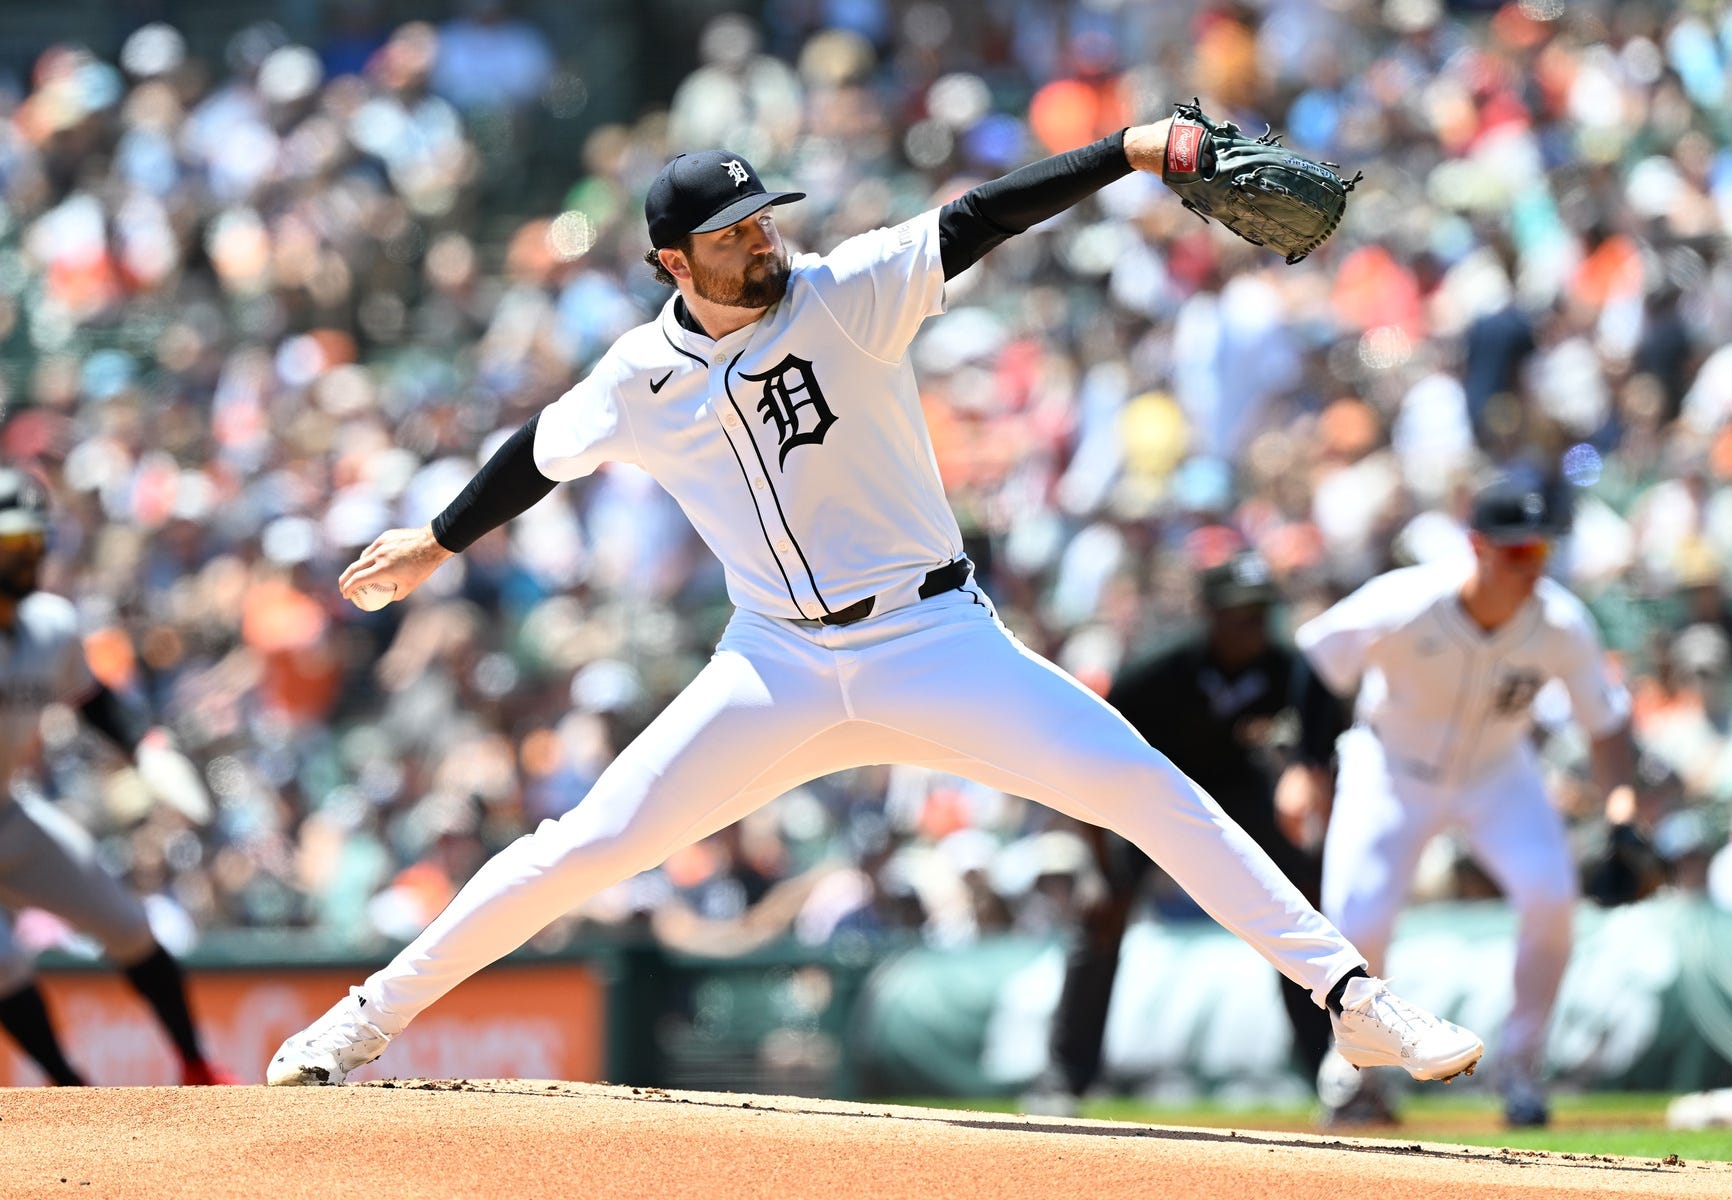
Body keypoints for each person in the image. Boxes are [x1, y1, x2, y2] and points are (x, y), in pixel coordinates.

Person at [267, 121, 1484, 1089]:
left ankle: (1355, 1005)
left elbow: (976, 218)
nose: (763, 239)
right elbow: (539, 450)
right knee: (580, 847)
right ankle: (364, 1023)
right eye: (735, 232)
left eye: (762, 217)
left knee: (1148, 790)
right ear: (673, 265)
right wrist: (436, 539)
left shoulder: (846, 290)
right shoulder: (637, 375)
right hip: (774, 668)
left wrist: (1124, 151)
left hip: (934, 638)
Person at [1280, 475, 1636, 1127]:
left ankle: (1522, 1070)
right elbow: (1315, 656)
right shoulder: (1410, 599)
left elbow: (1607, 723)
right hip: (1391, 766)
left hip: (1500, 773)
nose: (1532, 567)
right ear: (1477, 547)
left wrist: (1621, 814)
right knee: (1358, 917)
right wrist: (1308, 767)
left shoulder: (1560, 623)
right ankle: (1363, 1073)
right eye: (1517, 553)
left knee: (1551, 895)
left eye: (1542, 553)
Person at [1029, 550, 1329, 1112]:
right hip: (1149, 794)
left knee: (1298, 913)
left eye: (1260, 613)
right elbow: (1089, 760)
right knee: (1101, 920)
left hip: (1237, 794)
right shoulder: (1158, 672)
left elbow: (1323, 746)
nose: (1252, 626)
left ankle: (1328, 1071)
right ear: (1209, 614)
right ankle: (1065, 1078)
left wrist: (1301, 783)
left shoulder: (1285, 667)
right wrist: (1098, 866)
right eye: (1240, 614)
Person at [0, 466, 233, 1086]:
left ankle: (196, 1064)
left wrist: (145, 745)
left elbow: (91, 701)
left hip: (9, 814)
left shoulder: (49, 623)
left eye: (33, 545)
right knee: (3, 967)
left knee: (129, 926)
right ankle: (70, 1092)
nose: (25, 561)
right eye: (10, 548)